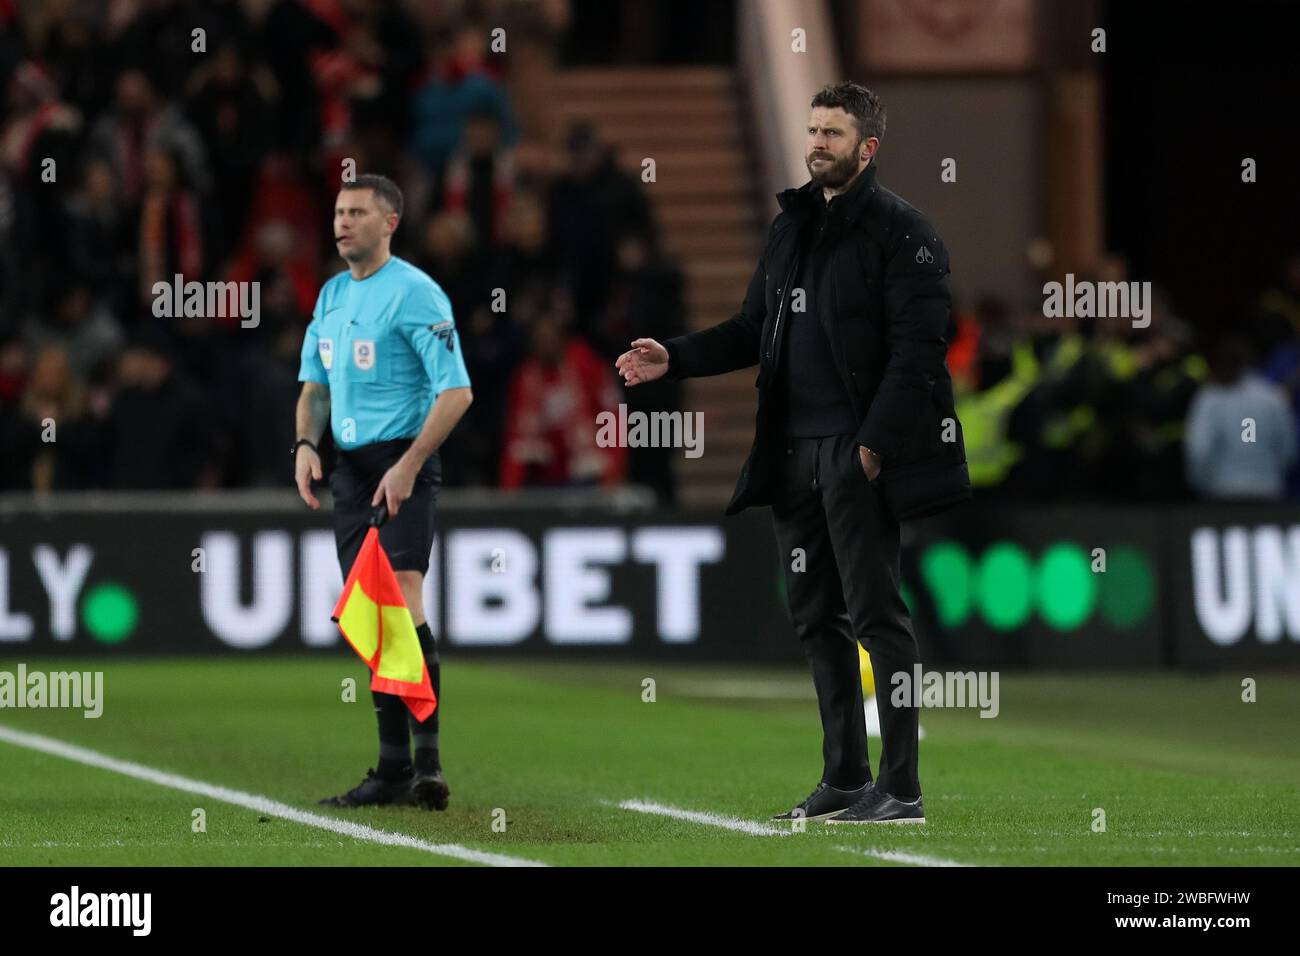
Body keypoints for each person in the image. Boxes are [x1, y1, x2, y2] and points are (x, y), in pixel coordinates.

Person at [615, 82, 970, 824]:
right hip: (793, 452)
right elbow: (752, 328)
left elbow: (919, 356)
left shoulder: (905, 234)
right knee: (817, 620)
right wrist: (672, 358)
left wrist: (871, 448)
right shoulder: (792, 228)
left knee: (878, 618)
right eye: (812, 129)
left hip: (853, 453)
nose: (815, 143)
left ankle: (900, 788)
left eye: (832, 134)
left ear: (866, 149)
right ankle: (845, 776)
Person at [294, 174, 473, 809]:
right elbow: (315, 386)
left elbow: (456, 391)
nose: (342, 222)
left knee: (401, 598)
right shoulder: (332, 295)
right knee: (371, 614)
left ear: (390, 222)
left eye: (357, 212)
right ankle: (394, 769)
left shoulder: (418, 295)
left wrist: (410, 463)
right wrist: (306, 446)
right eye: (338, 211)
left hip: (404, 461)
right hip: (351, 469)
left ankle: (427, 762)